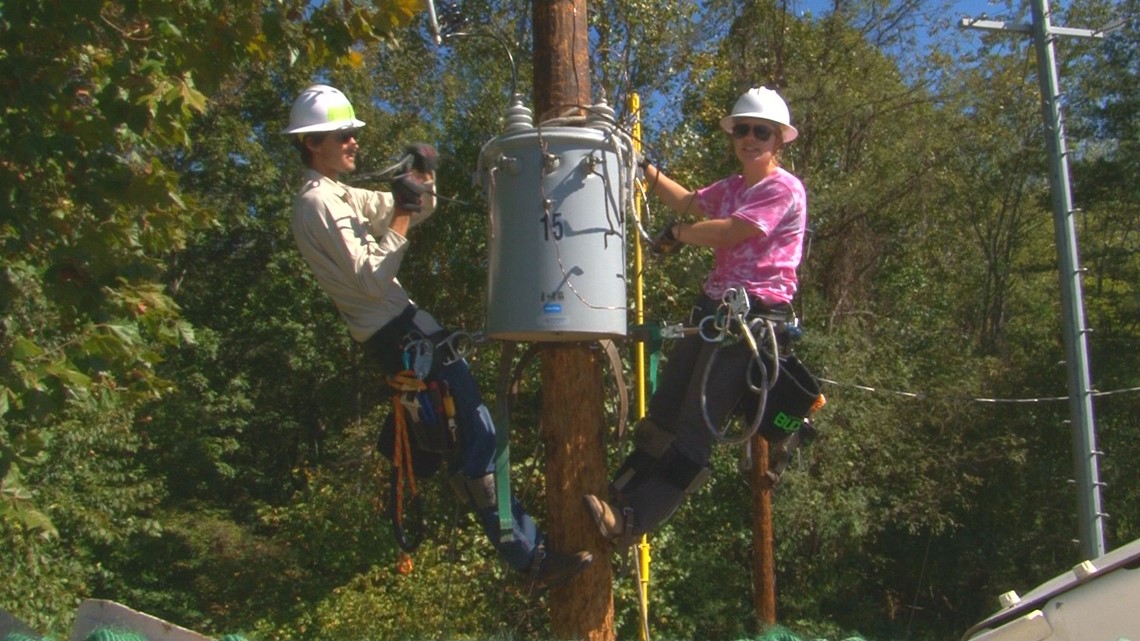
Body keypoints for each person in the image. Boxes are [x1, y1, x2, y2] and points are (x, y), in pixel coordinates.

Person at [282, 84, 592, 589]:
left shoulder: (339, 194)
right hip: (395, 333)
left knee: (475, 432)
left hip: (407, 330)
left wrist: (421, 180)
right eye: (343, 136)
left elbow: (412, 209)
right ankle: (527, 559)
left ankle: (527, 551)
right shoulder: (316, 203)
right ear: (312, 142)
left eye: (352, 134)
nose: (354, 143)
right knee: (478, 436)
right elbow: (370, 275)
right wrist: (403, 211)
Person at [585, 87, 819, 542]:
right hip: (713, 311)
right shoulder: (733, 187)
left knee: (695, 426)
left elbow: (732, 232)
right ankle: (622, 488)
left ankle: (633, 519)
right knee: (665, 411)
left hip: (749, 323)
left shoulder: (783, 188)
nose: (750, 139)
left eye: (761, 132)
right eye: (743, 130)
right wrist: (640, 166)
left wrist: (678, 233)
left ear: (779, 141)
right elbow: (689, 202)